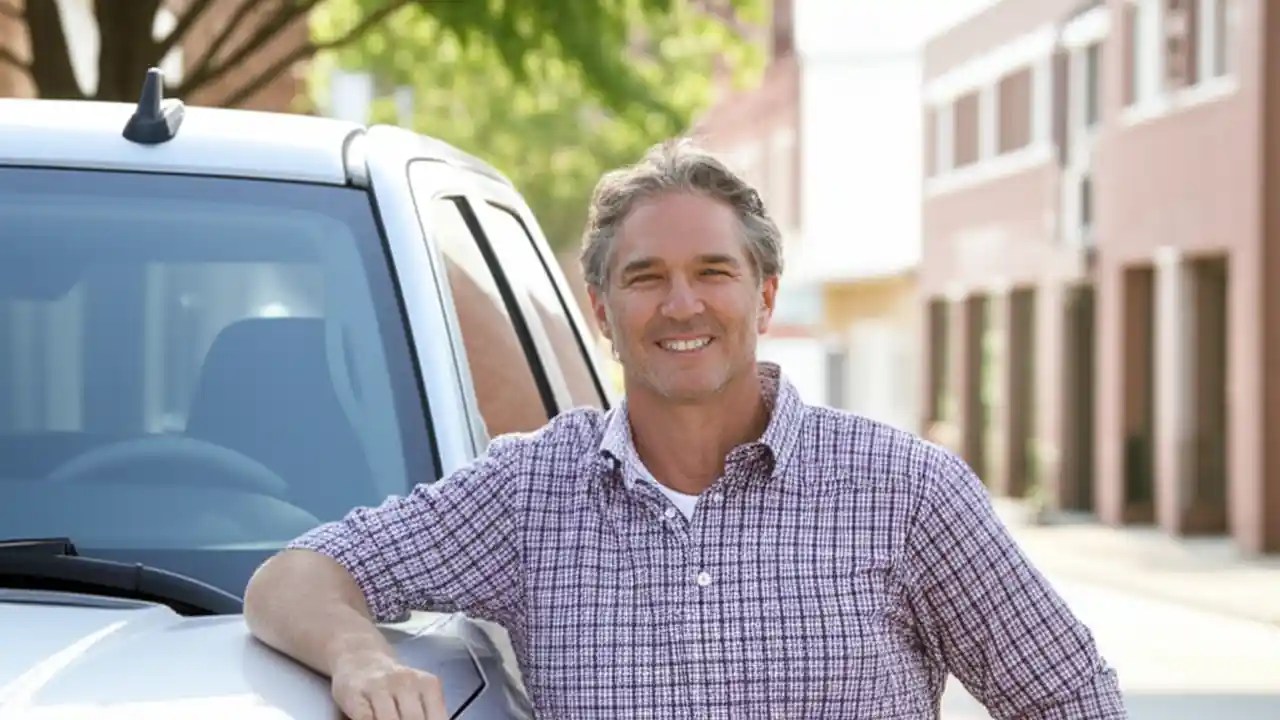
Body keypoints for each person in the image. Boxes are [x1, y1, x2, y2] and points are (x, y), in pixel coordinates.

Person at [243, 139, 1127, 720]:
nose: (681, 305)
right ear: (600, 309)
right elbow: (294, 577)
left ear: (765, 296)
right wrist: (357, 657)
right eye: (645, 278)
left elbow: (1070, 699)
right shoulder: (527, 496)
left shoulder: (905, 491)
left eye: (713, 272)